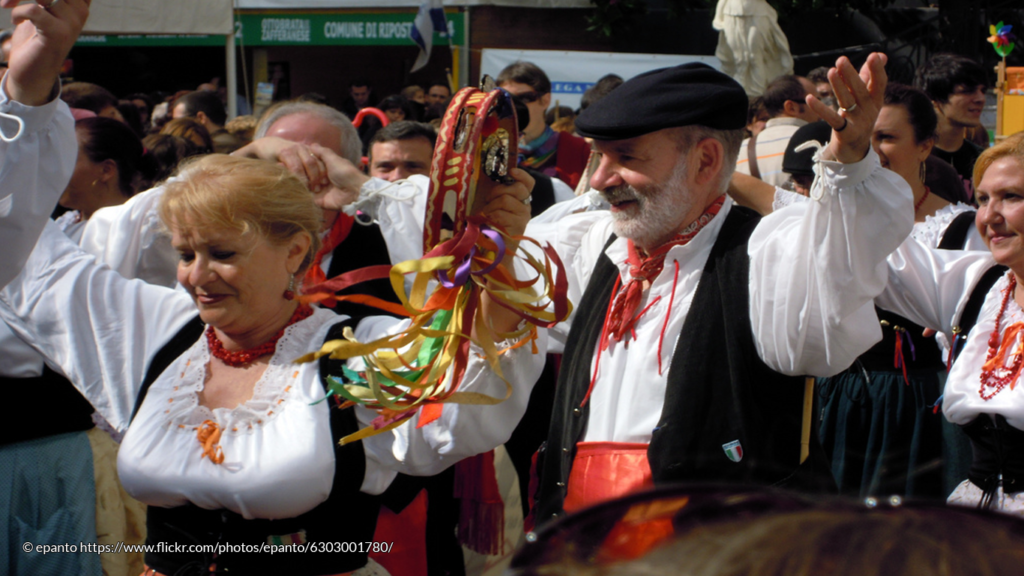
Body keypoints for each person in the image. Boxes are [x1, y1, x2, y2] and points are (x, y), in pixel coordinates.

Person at [0, 133, 545, 576]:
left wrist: (491, 256)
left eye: (223, 253)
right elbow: (26, 257)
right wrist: (27, 89)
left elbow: (471, 389)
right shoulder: (160, 335)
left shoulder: (355, 351)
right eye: (186, 253)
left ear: (295, 250)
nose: (196, 276)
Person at [873, 131, 1024, 514]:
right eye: (983, 199)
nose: (988, 216)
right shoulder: (981, 287)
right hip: (979, 513)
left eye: (1011, 197)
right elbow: (867, 256)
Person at [56, 116, 156, 239]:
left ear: (106, 170)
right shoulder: (63, 225)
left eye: (67, 160)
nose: (56, 170)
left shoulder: (142, 232)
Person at [496, 61, 591, 189]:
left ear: (545, 100)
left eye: (524, 98)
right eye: (506, 100)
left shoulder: (580, 151)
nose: (514, 106)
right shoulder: (492, 152)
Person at [914, 53, 988, 204]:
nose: (980, 99)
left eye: (983, 90)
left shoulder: (984, 160)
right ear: (933, 99)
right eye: (967, 91)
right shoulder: (911, 158)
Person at [735, 74, 820, 186]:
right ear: (791, 107)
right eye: (816, 101)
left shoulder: (740, 150)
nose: (823, 106)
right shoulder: (818, 143)